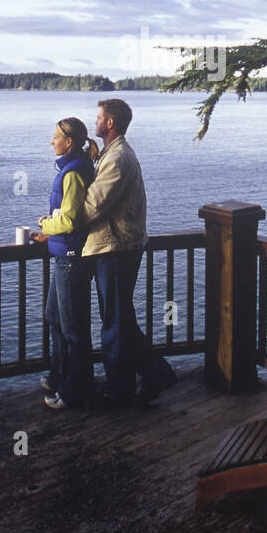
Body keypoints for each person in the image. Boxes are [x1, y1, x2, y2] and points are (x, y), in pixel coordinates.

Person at [80, 98, 176, 406]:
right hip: (117, 245)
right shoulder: (112, 154)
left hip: (116, 247)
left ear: (110, 123)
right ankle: (156, 372)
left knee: (114, 321)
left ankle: (118, 388)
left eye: (98, 117)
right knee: (121, 318)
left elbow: (93, 206)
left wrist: (60, 219)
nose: (94, 121)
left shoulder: (118, 158)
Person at [31, 117, 98, 410]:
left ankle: (76, 390)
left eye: (55, 136)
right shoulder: (74, 167)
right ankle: (60, 376)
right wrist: (50, 236)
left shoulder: (72, 173)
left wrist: (47, 225)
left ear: (68, 142)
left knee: (73, 329)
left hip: (71, 260)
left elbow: (70, 219)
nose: (51, 141)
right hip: (63, 254)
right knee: (55, 319)